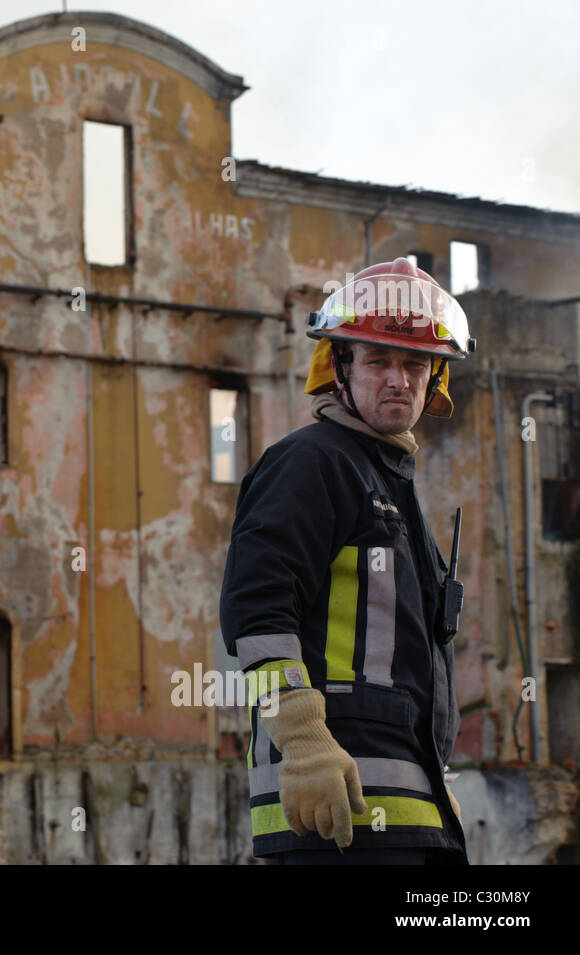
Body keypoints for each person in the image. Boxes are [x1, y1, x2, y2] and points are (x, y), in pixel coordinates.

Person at [219, 257, 475, 865]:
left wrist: (434, 786)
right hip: (334, 813)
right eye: (379, 360)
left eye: (415, 364)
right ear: (340, 367)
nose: (399, 380)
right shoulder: (313, 462)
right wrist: (303, 741)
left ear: (435, 377)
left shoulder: (391, 484)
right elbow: (257, 610)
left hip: (407, 817)